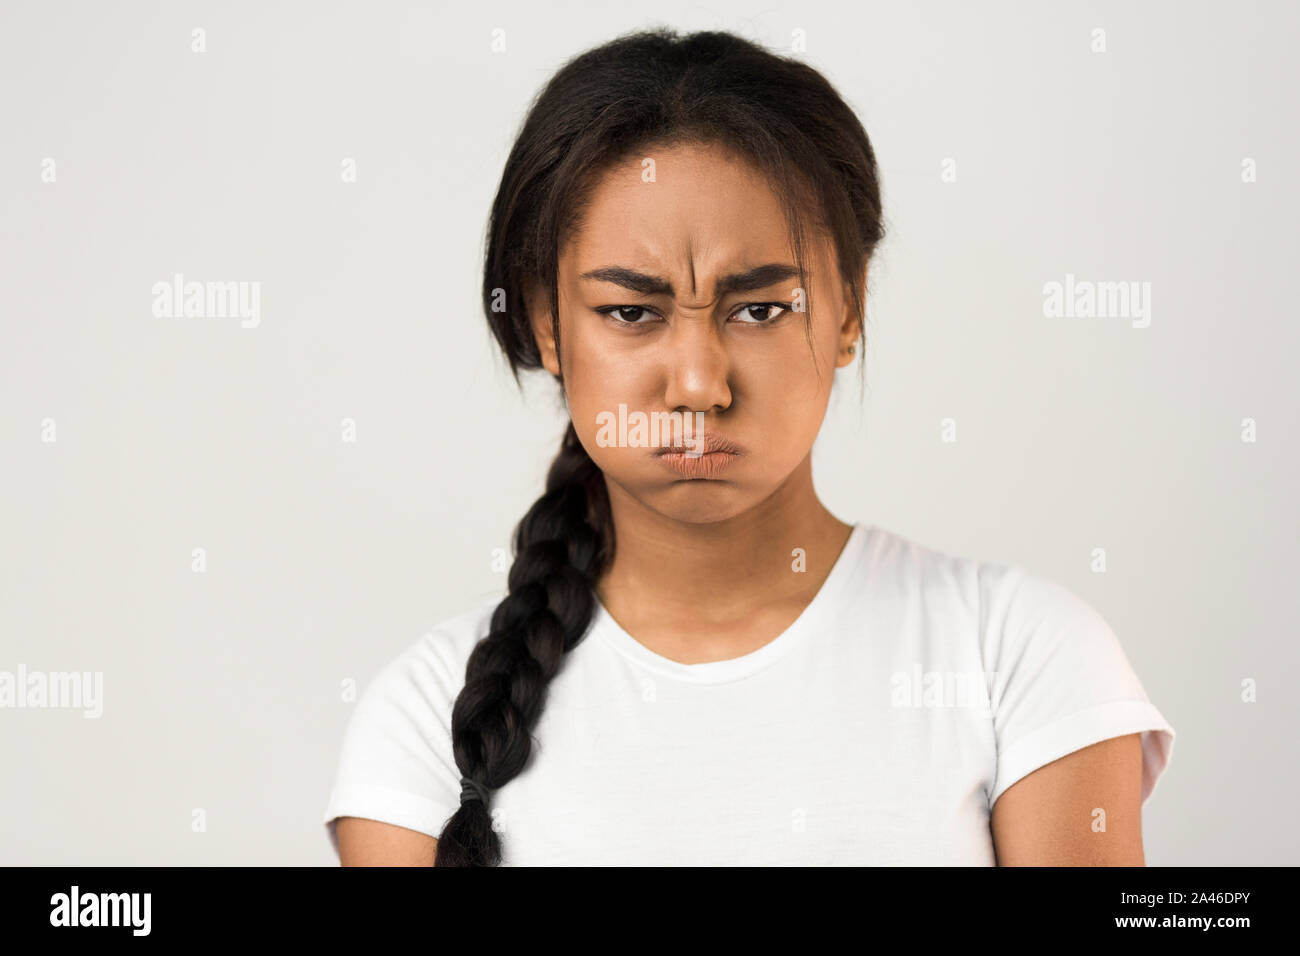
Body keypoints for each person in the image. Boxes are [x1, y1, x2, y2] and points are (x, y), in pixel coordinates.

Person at [323, 27, 1174, 866]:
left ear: (849, 311)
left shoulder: (1022, 656)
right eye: (630, 311)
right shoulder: (424, 722)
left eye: (761, 308)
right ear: (548, 326)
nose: (699, 382)